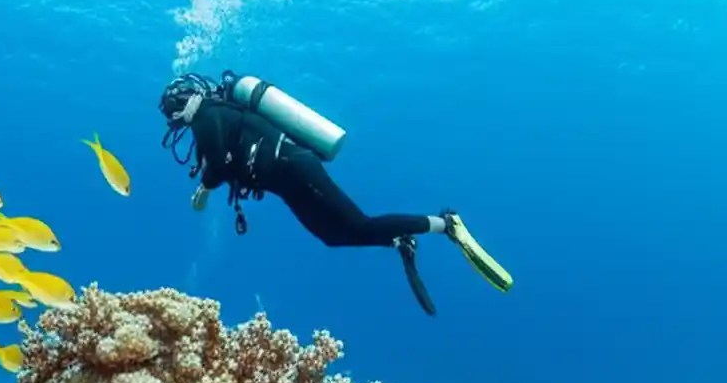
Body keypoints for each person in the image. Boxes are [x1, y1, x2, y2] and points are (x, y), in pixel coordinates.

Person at [158, 70, 512, 315]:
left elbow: (218, 164)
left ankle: (446, 224)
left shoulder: (206, 114)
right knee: (332, 236)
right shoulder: (218, 113)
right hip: (288, 180)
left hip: (296, 168)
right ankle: (398, 241)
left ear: (178, 106)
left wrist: (204, 190)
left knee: (358, 223)